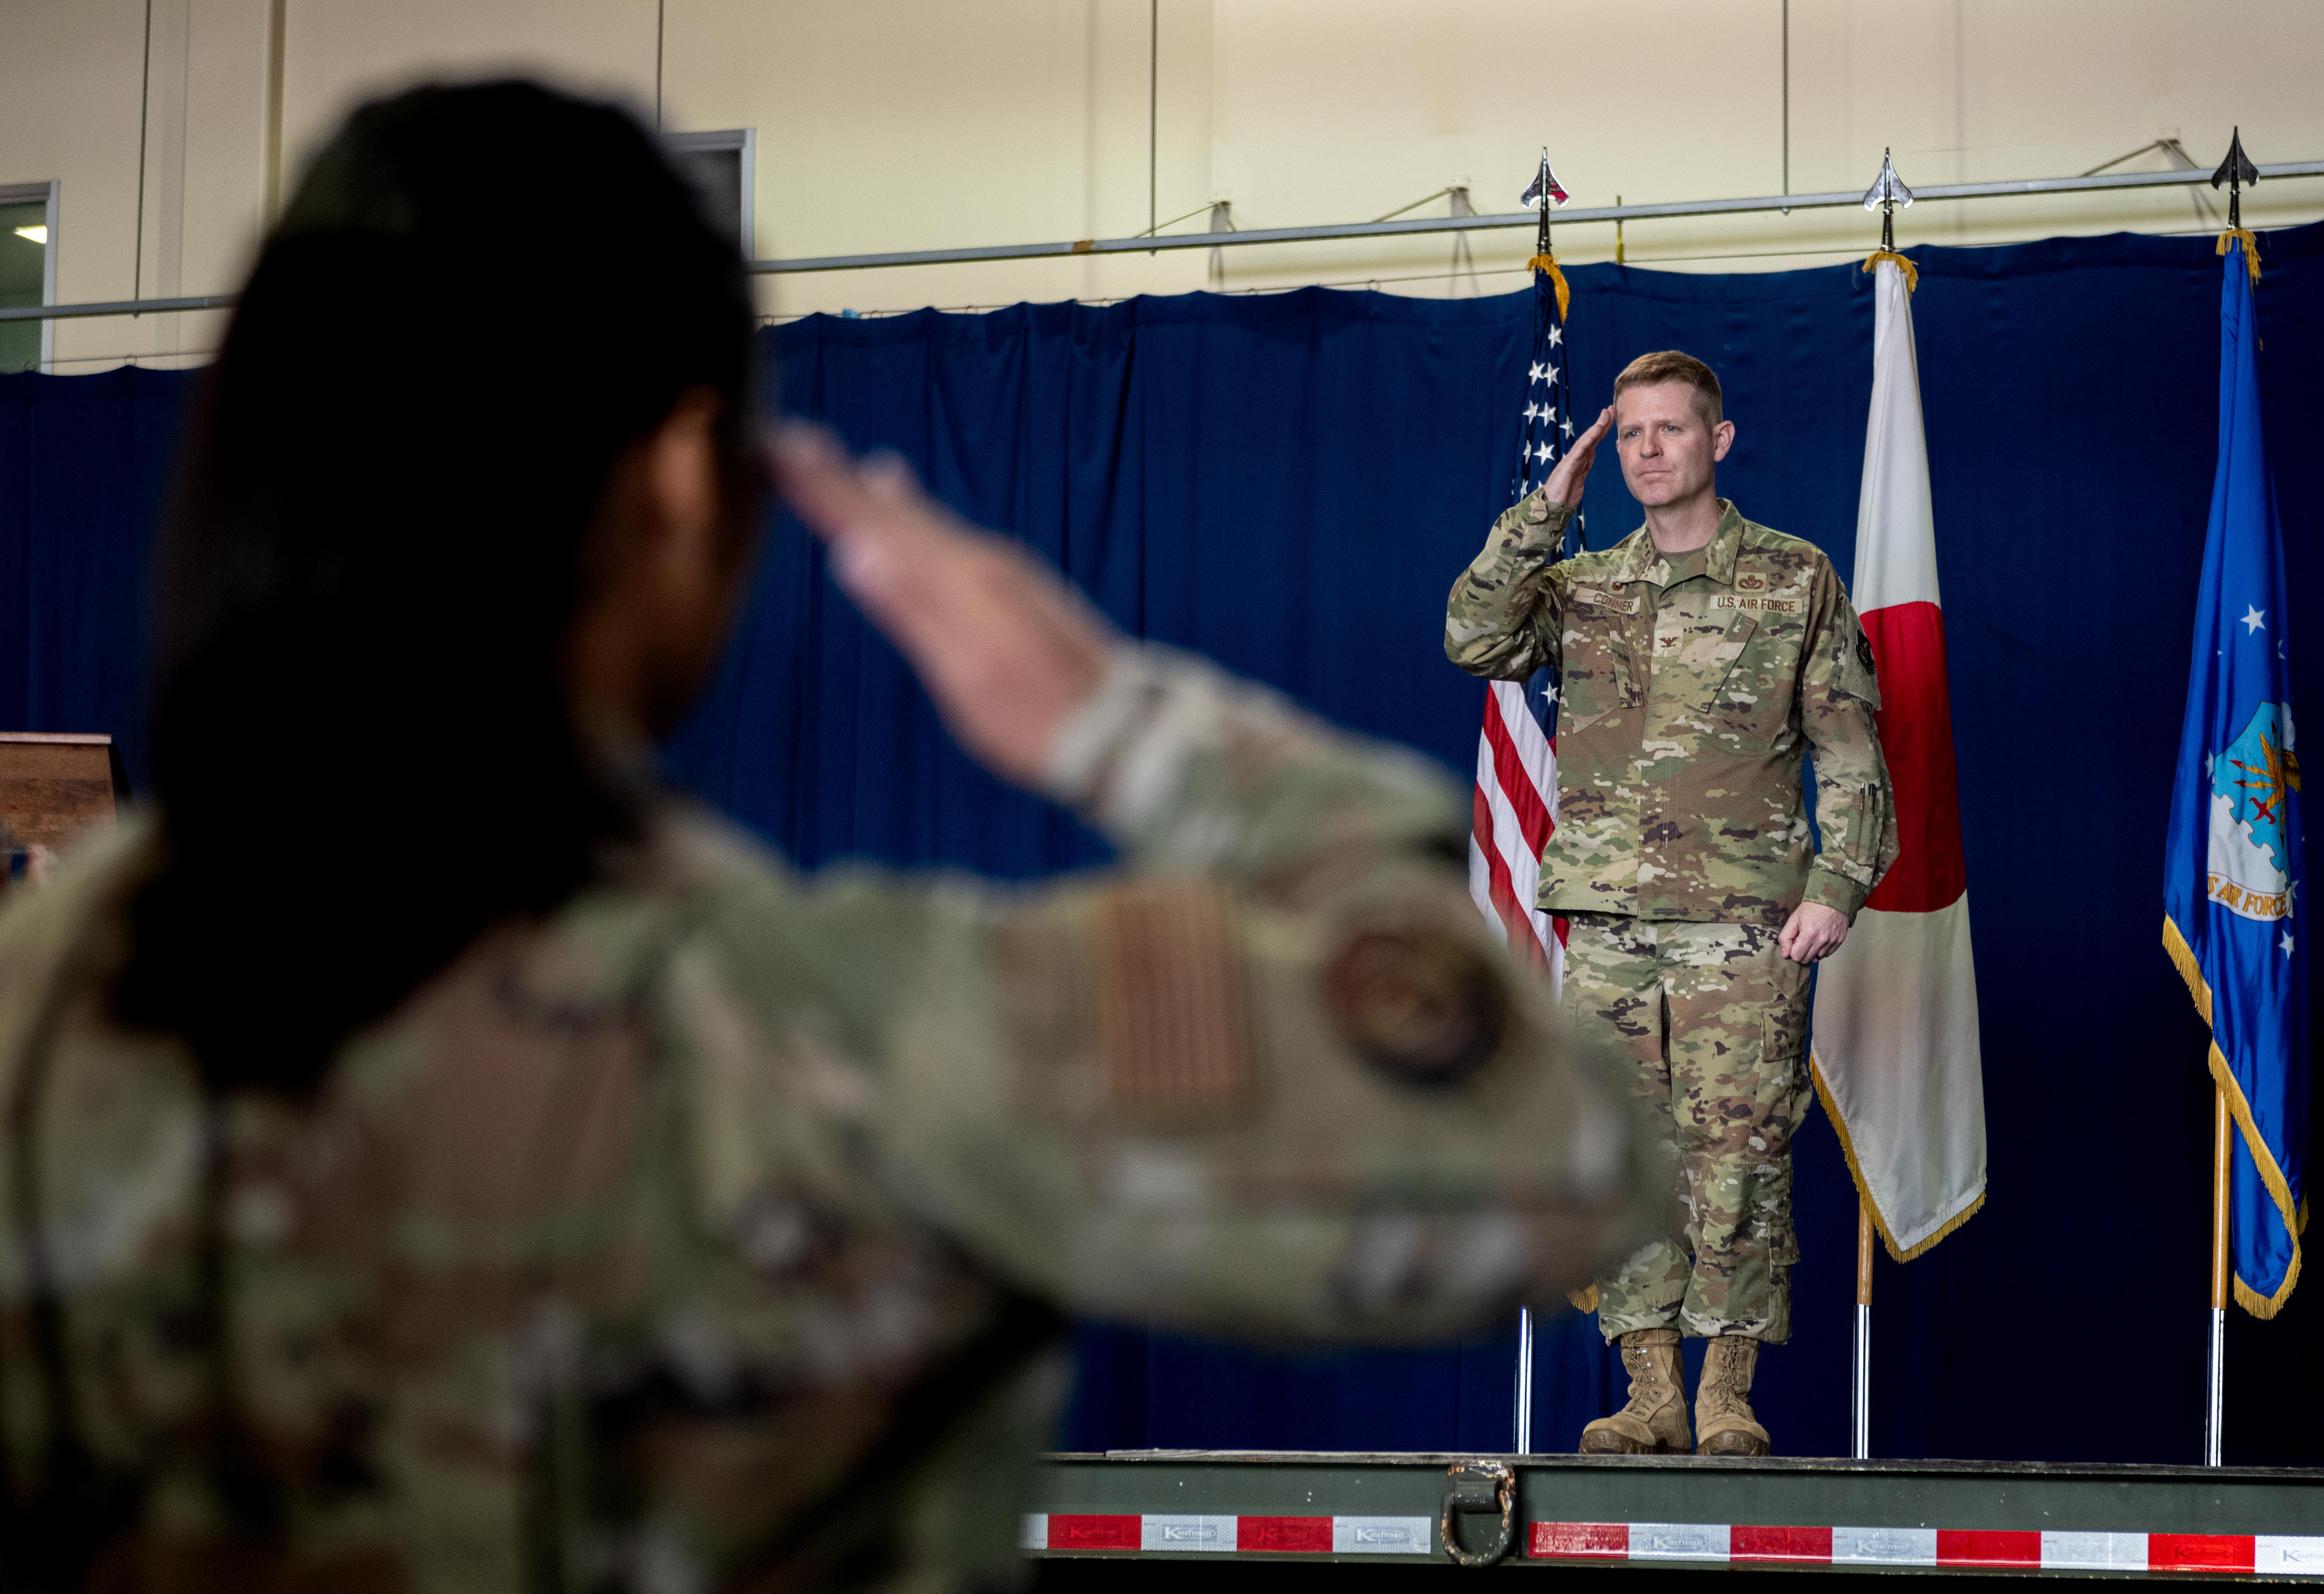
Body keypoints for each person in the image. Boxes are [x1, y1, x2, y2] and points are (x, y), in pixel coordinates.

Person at [0, 82, 1658, 1592]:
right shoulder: (828, 1032)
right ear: (674, 477)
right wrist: (1118, 717)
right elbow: (1555, 1137)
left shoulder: (39, 1008)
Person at [1445, 350, 1896, 1458]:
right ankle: (1650, 1394)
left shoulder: (1796, 578)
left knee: (1737, 1159)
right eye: (1631, 434)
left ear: (1719, 442)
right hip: (1607, 927)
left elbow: (1851, 752)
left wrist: (1838, 887)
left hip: (1745, 928)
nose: (1648, 450)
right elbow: (1475, 634)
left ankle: (1727, 1396)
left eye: (1671, 431)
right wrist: (1548, 506)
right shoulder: (1586, 581)